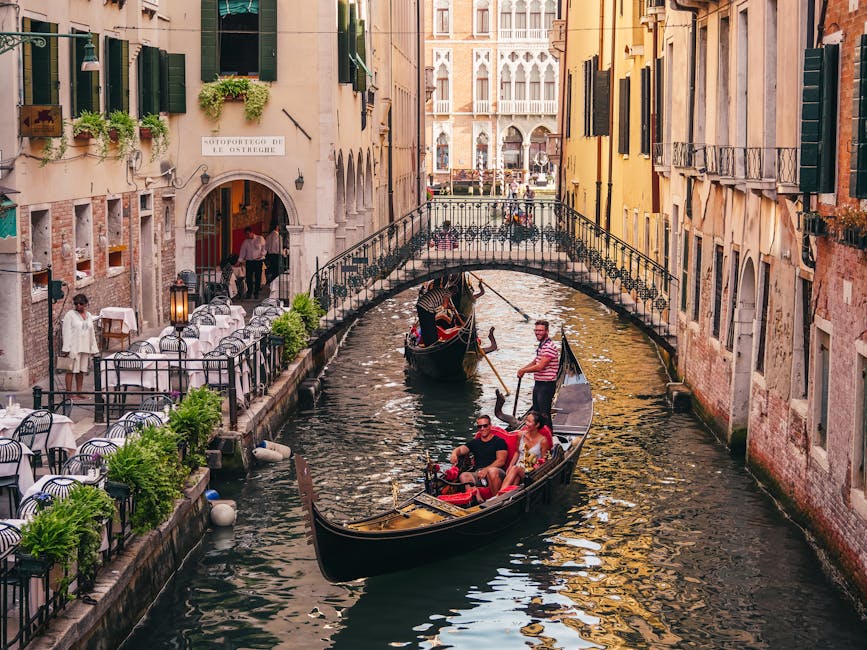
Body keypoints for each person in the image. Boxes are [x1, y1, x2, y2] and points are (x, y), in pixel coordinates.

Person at [449, 414, 508, 494]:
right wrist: (454, 453)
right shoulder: (475, 442)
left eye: (485, 426)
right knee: (463, 476)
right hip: (479, 474)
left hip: (497, 472)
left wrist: (486, 470)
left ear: (490, 426)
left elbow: (501, 461)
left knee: (492, 471)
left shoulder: (499, 441)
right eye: (480, 427)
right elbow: (461, 449)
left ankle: (496, 499)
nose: (482, 429)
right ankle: (477, 499)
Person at [517, 320, 560, 425]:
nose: (537, 333)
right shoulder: (542, 345)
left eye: (540, 330)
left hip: (547, 385)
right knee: (536, 413)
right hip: (539, 384)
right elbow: (535, 361)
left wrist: (524, 371)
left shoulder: (549, 347)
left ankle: (548, 438)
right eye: (536, 330)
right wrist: (522, 369)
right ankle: (538, 437)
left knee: (544, 415)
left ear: (547, 331)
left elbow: (540, 366)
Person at [499, 411, 552, 491]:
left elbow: (544, 461)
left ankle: (498, 495)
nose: (526, 423)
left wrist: (535, 469)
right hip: (517, 468)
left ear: (537, 425)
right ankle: (505, 496)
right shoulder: (520, 435)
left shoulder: (543, 441)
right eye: (526, 420)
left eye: (529, 422)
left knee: (515, 469)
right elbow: (517, 452)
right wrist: (509, 466)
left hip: (532, 472)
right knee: (515, 479)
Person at [60, 294, 99, 398]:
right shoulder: (70, 315)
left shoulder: (89, 315)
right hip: (74, 347)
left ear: (86, 304)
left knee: (81, 370)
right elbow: (66, 332)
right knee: (71, 370)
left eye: (81, 303)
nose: (78, 306)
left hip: (85, 347)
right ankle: (69, 393)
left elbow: (92, 333)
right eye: (76, 303)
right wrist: (66, 348)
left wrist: (94, 348)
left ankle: (79, 392)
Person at [238, 226, 267, 299]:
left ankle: (256, 293)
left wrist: (262, 255)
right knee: (249, 278)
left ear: (251, 232)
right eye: (246, 234)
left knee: (258, 278)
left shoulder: (260, 238)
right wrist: (239, 261)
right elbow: (242, 252)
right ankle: (249, 292)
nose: (247, 236)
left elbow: (265, 248)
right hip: (249, 261)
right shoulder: (245, 242)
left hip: (258, 261)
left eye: (248, 234)